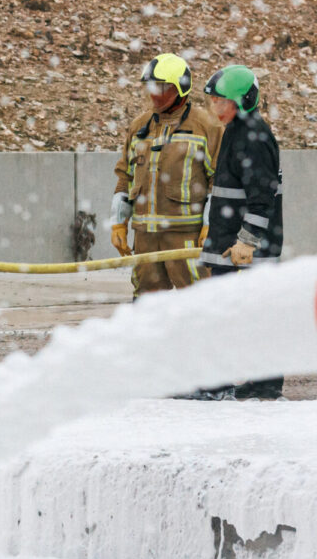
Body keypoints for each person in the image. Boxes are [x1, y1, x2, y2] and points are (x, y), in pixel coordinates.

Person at [198, 64, 285, 399]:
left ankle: (237, 382)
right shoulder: (237, 131)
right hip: (228, 244)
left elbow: (262, 197)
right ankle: (260, 381)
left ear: (242, 101)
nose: (216, 109)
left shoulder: (255, 137)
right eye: (214, 102)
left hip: (246, 249)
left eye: (222, 102)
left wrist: (247, 241)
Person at [109, 53, 224, 298]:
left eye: (162, 88)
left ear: (181, 88)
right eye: (151, 87)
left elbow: (219, 182)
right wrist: (119, 222)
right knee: (147, 305)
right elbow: (125, 176)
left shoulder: (207, 127)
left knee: (196, 301)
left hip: (185, 240)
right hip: (145, 238)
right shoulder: (140, 127)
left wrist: (210, 225)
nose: (155, 94)